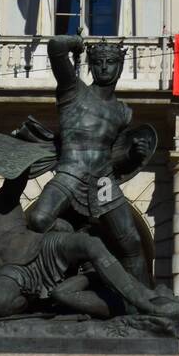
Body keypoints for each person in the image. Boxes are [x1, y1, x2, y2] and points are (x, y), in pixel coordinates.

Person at [0, 169, 179, 330]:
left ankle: (143, 301)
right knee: (3, 302)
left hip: (44, 248)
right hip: (15, 274)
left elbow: (20, 172)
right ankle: (60, 300)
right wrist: (0, 306)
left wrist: (18, 141)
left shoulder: (3, 203)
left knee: (88, 243)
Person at [24, 35, 151, 284]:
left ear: (120, 66)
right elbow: (55, 48)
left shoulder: (124, 112)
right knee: (38, 219)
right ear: (91, 65)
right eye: (99, 62)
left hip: (103, 181)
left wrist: (135, 153)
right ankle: (68, 247)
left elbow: (117, 157)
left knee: (131, 241)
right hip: (70, 174)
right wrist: (75, 42)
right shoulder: (73, 90)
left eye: (111, 62)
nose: (105, 67)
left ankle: (146, 300)